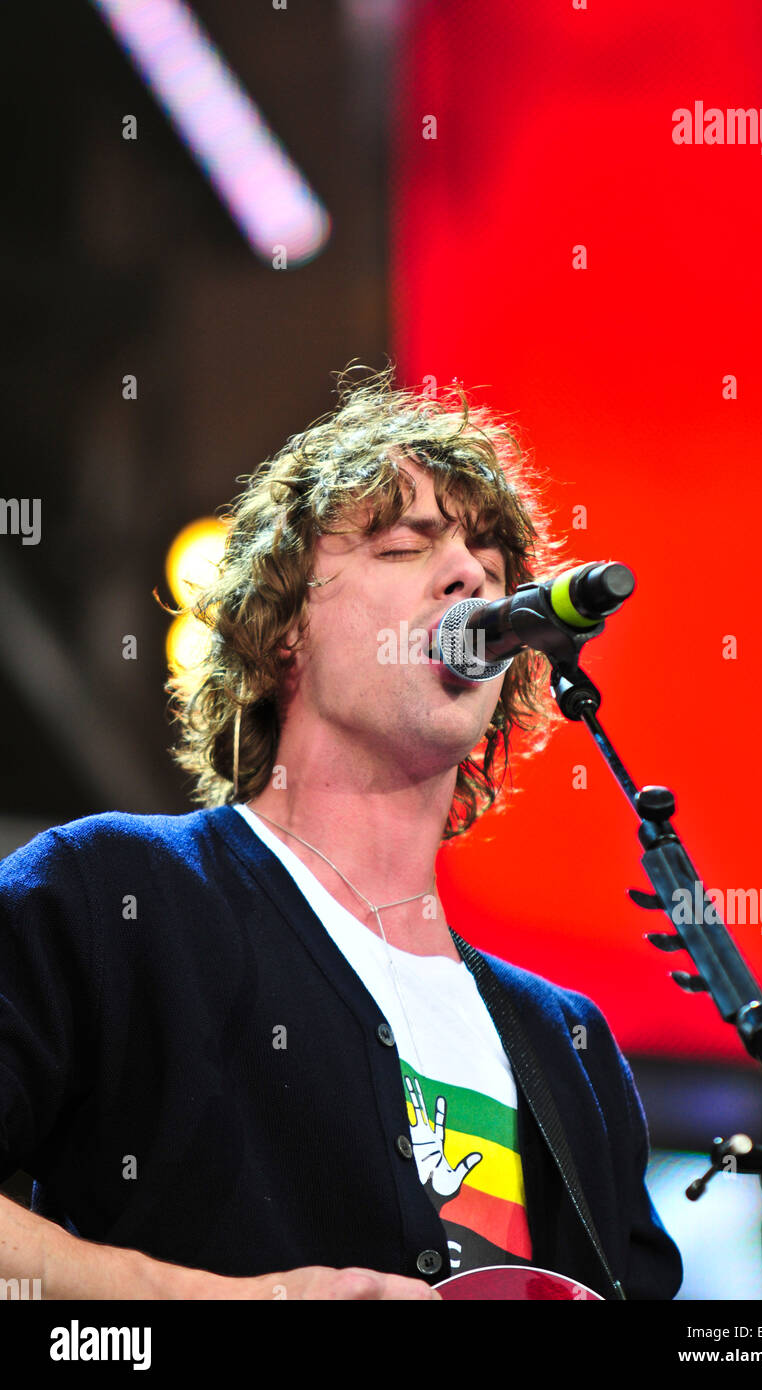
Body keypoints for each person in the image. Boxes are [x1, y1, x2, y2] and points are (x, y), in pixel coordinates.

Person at [0, 369, 682, 1300]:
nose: (471, 575)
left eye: (489, 558)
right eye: (407, 545)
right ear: (285, 626)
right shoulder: (111, 897)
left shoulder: (569, 1046)